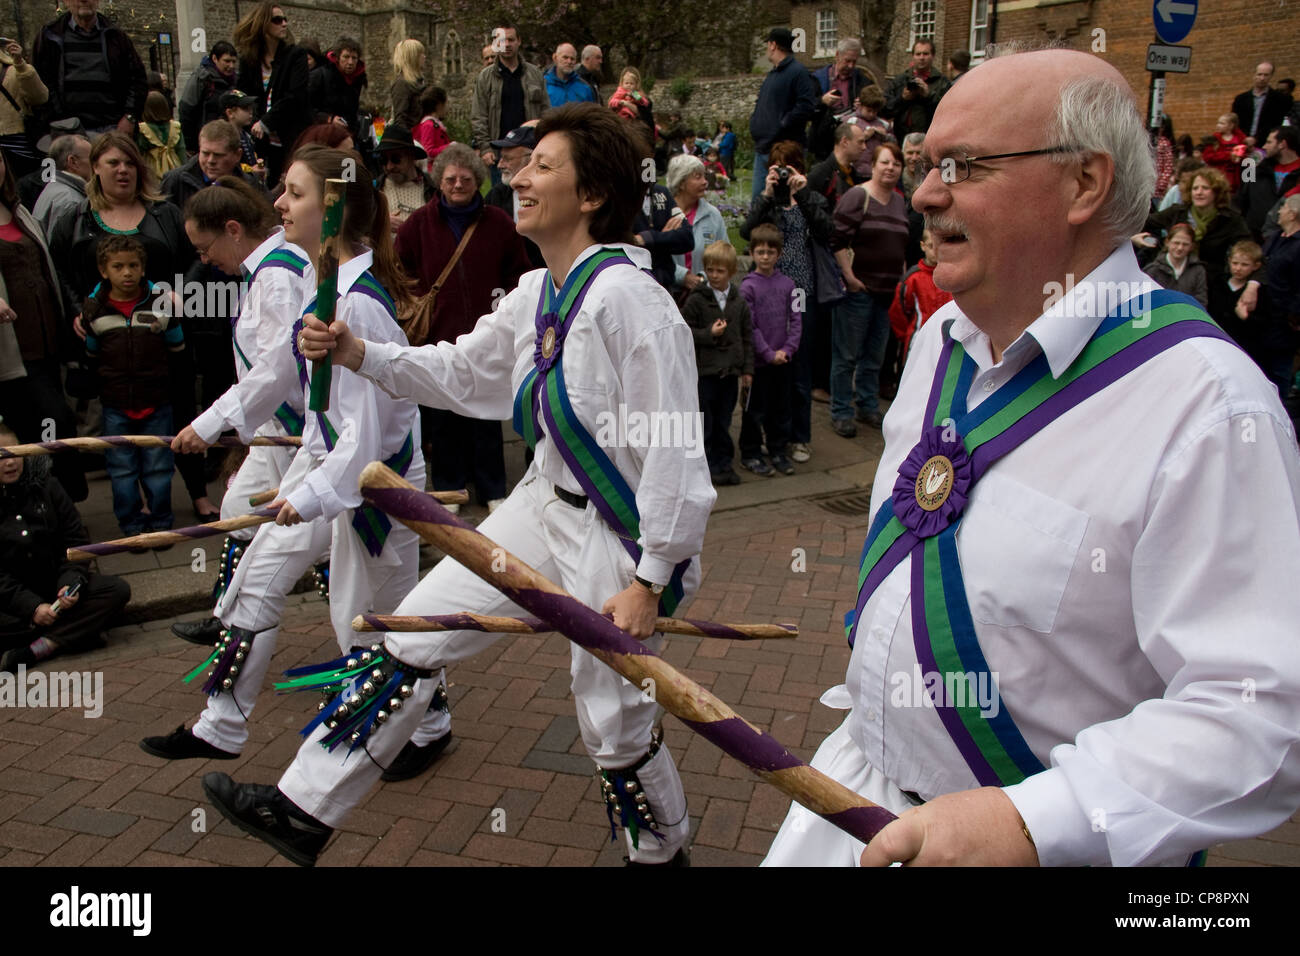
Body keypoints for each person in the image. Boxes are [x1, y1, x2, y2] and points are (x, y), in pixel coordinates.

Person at [764, 47, 1300, 869]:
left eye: (963, 165)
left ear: (1084, 184)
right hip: (857, 801)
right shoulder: (943, 338)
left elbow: (1261, 713)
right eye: (923, 162)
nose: (927, 191)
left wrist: (1038, 821)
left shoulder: (1208, 406)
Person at [203, 102, 713, 868]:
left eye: (543, 166)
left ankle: (661, 853)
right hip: (541, 507)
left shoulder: (635, 305)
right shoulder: (540, 291)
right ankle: (302, 809)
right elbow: (461, 370)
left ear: (594, 194)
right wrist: (359, 354)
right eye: (524, 163)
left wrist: (652, 578)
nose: (521, 176)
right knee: (408, 631)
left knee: (613, 724)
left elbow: (677, 452)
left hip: (618, 537)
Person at [143, 145, 437, 775]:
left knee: (366, 622)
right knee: (254, 581)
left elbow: (364, 436)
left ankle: (427, 726)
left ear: (331, 209)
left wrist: (301, 498)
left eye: (294, 194)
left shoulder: (353, 303)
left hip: (376, 487)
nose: (277, 205)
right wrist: (222, 432)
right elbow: (293, 390)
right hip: (330, 469)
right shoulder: (316, 280)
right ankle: (221, 725)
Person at [165, 177, 313, 645]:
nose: (202, 260)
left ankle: (355, 634)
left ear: (232, 229)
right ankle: (227, 617)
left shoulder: (277, 276)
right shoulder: (263, 271)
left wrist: (208, 424)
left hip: (302, 434)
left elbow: (277, 367)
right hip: (275, 427)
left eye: (204, 247)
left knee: (316, 542)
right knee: (236, 510)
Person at [46, 132, 213, 520]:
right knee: (120, 423)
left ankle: (197, 491)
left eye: (129, 163)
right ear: (95, 170)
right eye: (112, 164)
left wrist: (178, 291)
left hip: (163, 337)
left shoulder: (165, 213)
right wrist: (79, 310)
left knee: (183, 409)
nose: (122, 171)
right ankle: (133, 502)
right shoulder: (76, 217)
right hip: (110, 344)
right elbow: (59, 270)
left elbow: (198, 257)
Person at [395, 142, 529, 512]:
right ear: (439, 181)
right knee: (443, 417)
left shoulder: (499, 224)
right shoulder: (418, 225)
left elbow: (519, 272)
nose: (458, 185)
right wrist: (415, 304)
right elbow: (399, 273)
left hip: (486, 337)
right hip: (438, 338)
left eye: (466, 179)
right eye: (451, 179)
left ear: (478, 181)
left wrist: (504, 307)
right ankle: (449, 486)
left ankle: (492, 488)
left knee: (485, 414)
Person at [0, 424, 130, 674]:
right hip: (13, 602)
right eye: (1, 457)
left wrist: (70, 582)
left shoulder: (47, 486)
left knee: (116, 590)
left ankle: (41, 646)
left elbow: (76, 539)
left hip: (57, 589)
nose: (10, 463)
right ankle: (77, 634)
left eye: (15, 453)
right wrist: (32, 607)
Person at [83, 235, 185, 535]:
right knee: (122, 469)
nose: (126, 272)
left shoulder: (159, 305)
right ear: (104, 271)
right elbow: (91, 353)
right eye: (118, 266)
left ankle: (161, 522)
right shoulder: (95, 310)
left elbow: (176, 348)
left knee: (158, 467)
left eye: (133, 265)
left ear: (143, 269)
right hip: (115, 404)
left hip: (156, 401)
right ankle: (130, 524)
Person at [0, 147, 85, 502]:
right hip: (10, 352)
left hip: (45, 341)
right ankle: (49, 509)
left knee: (50, 425)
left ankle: (58, 513)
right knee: (47, 423)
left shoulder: (18, 209)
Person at [740, 140, 833, 460]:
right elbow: (746, 232)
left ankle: (799, 437)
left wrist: (802, 193)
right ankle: (769, 435)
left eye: (786, 167)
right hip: (767, 293)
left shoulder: (812, 199)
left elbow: (827, 230)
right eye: (775, 168)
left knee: (799, 366)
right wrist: (767, 195)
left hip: (799, 293)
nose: (780, 174)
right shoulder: (766, 202)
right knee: (766, 367)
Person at [828, 141, 909, 436]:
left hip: (887, 294)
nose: (891, 168)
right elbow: (835, 240)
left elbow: (899, 246)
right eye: (885, 162)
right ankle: (841, 411)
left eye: (896, 164)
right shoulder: (857, 196)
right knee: (847, 355)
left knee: (874, 357)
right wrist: (849, 276)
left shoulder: (900, 201)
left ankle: (866, 405)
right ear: (873, 165)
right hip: (858, 291)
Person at [683, 239, 752, 486]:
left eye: (720, 271)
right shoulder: (697, 299)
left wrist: (747, 370)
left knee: (724, 420)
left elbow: (746, 337)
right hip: (706, 372)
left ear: (731, 272)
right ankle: (706, 466)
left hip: (729, 373)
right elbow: (684, 330)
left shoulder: (738, 301)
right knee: (706, 421)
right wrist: (707, 334)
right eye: (710, 269)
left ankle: (723, 463)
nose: (714, 275)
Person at [30, 0, 146, 137]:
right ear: (66, 2)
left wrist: (130, 116)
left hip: (112, 127)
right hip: (68, 129)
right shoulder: (50, 37)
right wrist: (55, 121)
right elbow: (40, 83)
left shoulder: (115, 36)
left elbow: (138, 78)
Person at [739, 224, 801, 477]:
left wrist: (787, 350)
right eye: (760, 251)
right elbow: (750, 327)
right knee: (754, 410)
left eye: (770, 252)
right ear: (752, 253)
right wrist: (767, 353)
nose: (765, 256)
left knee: (781, 409)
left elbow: (797, 320)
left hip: (783, 360)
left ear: (779, 254)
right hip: (759, 363)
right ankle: (751, 453)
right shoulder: (747, 287)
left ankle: (777, 449)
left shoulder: (790, 284)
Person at [234, 2, 310, 187]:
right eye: (277, 20)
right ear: (263, 23)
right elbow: (245, 95)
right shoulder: (249, 59)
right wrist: (255, 122)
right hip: (262, 139)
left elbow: (295, 96)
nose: (284, 23)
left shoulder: (295, 55)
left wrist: (266, 122)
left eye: (285, 19)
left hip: (290, 134)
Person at [1140, 166, 1252, 287]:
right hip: (1169, 279)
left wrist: (1253, 283)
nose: (1199, 192)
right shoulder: (1177, 212)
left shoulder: (1230, 219)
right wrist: (1145, 239)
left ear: (1217, 192)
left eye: (1205, 188)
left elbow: (1249, 249)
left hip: (1210, 283)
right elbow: (1143, 224)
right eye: (1195, 188)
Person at [471, 22, 546, 186]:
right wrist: (485, 148)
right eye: (501, 41)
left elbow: (545, 112)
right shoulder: (485, 77)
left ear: (518, 41)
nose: (506, 45)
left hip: (530, 151)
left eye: (510, 40)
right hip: (499, 154)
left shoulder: (535, 74)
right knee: (502, 202)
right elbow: (479, 116)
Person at [749, 28, 819, 202]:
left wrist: (782, 124)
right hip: (763, 147)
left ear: (773, 45)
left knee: (784, 200)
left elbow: (806, 106)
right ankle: (760, 229)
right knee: (761, 200)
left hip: (782, 151)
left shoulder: (798, 72)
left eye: (768, 44)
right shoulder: (774, 74)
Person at [888, 228, 951, 363]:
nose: (935, 251)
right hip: (918, 341)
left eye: (940, 245)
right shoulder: (913, 278)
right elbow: (899, 312)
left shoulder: (952, 275)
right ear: (923, 246)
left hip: (947, 341)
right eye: (931, 246)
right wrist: (907, 335)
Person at [667, 153, 726, 296]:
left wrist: (702, 278)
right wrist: (682, 276)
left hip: (705, 296)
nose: (705, 182)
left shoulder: (713, 215)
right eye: (698, 177)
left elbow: (725, 255)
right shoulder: (662, 214)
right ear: (681, 182)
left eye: (704, 176)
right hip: (667, 295)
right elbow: (651, 257)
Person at [809, 38, 874, 160]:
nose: (851, 66)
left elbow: (875, 104)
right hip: (823, 141)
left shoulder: (861, 80)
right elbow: (807, 107)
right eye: (847, 61)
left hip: (850, 140)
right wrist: (822, 101)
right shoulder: (818, 78)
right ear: (837, 55)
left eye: (854, 62)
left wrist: (863, 105)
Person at [1235, 125, 1300, 242]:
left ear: (1282, 144)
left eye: (1269, 142)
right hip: (1254, 238)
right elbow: (1241, 199)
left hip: (1290, 241)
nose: (1264, 146)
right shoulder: (1255, 169)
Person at [0, 39, 48, 180]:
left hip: (20, 144)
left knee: (27, 189)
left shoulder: (14, 69)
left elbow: (40, 97)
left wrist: (20, 63)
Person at [179, 40, 238, 153]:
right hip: (205, 141)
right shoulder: (201, 79)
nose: (231, 66)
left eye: (233, 62)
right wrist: (190, 145)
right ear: (215, 59)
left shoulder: (235, 80)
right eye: (227, 61)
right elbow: (186, 110)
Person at [884, 40, 950, 139]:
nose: (921, 58)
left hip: (929, 137)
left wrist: (928, 96)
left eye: (925, 54)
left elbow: (946, 113)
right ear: (913, 56)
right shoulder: (900, 80)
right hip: (901, 138)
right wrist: (902, 99)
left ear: (933, 56)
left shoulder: (942, 82)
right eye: (918, 54)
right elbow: (885, 110)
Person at [374, 125, 435, 233]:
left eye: (396, 159)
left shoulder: (432, 188)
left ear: (411, 157)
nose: (389, 166)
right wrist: (380, 222)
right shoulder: (374, 188)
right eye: (383, 160)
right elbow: (357, 224)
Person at [32, 133, 92, 237]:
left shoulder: (54, 187)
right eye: (92, 159)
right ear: (73, 162)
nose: (97, 164)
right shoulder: (70, 201)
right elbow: (61, 250)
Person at [1141, 222, 1208, 307]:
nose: (1180, 248)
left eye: (1185, 244)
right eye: (1176, 243)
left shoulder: (1198, 270)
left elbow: (1201, 301)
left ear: (1192, 246)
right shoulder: (1152, 270)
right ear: (1167, 242)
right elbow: (1145, 301)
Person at [312, 36, 367, 136]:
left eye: (354, 58)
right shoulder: (320, 75)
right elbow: (306, 108)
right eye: (346, 57)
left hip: (346, 135)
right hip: (321, 134)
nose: (350, 62)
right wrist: (328, 119)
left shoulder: (356, 79)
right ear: (337, 58)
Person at [1231, 62, 1293, 147]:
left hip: (1267, 144)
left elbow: (1276, 122)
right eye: (1259, 74)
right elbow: (1235, 121)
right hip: (1242, 143)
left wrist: (1256, 138)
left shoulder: (1279, 99)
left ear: (1271, 76)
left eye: (1266, 75)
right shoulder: (1241, 99)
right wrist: (1244, 138)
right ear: (1254, 75)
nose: (1262, 78)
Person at [809, 122, 868, 204]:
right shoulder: (820, 175)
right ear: (845, 142)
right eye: (860, 142)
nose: (864, 147)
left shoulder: (855, 176)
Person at [844, 86, 894, 180]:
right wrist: (864, 136)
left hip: (876, 172)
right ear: (861, 106)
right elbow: (844, 143)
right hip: (855, 171)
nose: (871, 114)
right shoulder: (851, 121)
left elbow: (894, 144)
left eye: (874, 111)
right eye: (868, 110)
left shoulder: (884, 124)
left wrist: (886, 136)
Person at [136, 91, 186, 178]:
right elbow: (181, 151)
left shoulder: (142, 130)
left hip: (151, 171)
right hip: (175, 168)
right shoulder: (175, 127)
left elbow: (139, 153)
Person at [219, 90, 264, 177]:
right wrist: (251, 171)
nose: (251, 112)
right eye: (245, 108)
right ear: (230, 113)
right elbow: (226, 165)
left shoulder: (245, 134)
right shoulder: (224, 137)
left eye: (251, 108)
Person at [1200, 113, 1248, 194]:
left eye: (1222, 123)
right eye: (1218, 123)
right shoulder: (1214, 139)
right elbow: (1208, 157)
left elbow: (1244, 154)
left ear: (1231, 126)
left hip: (1235, 177)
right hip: (1218, 176)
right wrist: (1228, 156)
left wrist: (1240, 156)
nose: (1218, 125)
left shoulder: (1239, 138)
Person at [389, 39, 427, 131]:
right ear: (412, 57)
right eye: (420, 54)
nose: (424, 57)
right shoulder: (401, 84)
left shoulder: (419, 82)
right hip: (411, 139)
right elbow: (400, 119)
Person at [545, 43, 596, 108]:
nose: (569, 61)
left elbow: (592, 113)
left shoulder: (584, 87)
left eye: (572, 59)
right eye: (565, 57)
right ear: (555, 58)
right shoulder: (544, 85)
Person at [412, 86, 450, 160]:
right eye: (446, 103)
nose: (447, 107)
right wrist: (449, 147)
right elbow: (428, 152)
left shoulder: (435, 124)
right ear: (439, 105)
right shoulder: (428, 125)